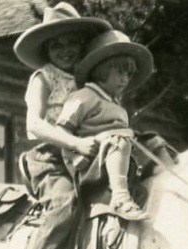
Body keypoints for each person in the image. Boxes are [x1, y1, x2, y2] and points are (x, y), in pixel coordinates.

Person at [13, 2, 112, 249]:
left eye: (73, 42)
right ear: (46, 49)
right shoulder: (43, 78)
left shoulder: (89, 80)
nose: (66, 50)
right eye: (57, 44)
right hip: (50, 157)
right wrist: (75, 143)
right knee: (66, 203)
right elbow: (35, 124)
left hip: (86, 156)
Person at [59, 30, 155, 222]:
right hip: (90, 161)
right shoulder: (84, 96)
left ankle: (171, 182)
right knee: (118, 139)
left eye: (128, 74)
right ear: (102, 69)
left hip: (116, 159)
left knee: (154, 142)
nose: (124, 80)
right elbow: (62, 131)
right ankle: (120, 198)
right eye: (119, 72)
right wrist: (73, 155)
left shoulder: (115, 104)